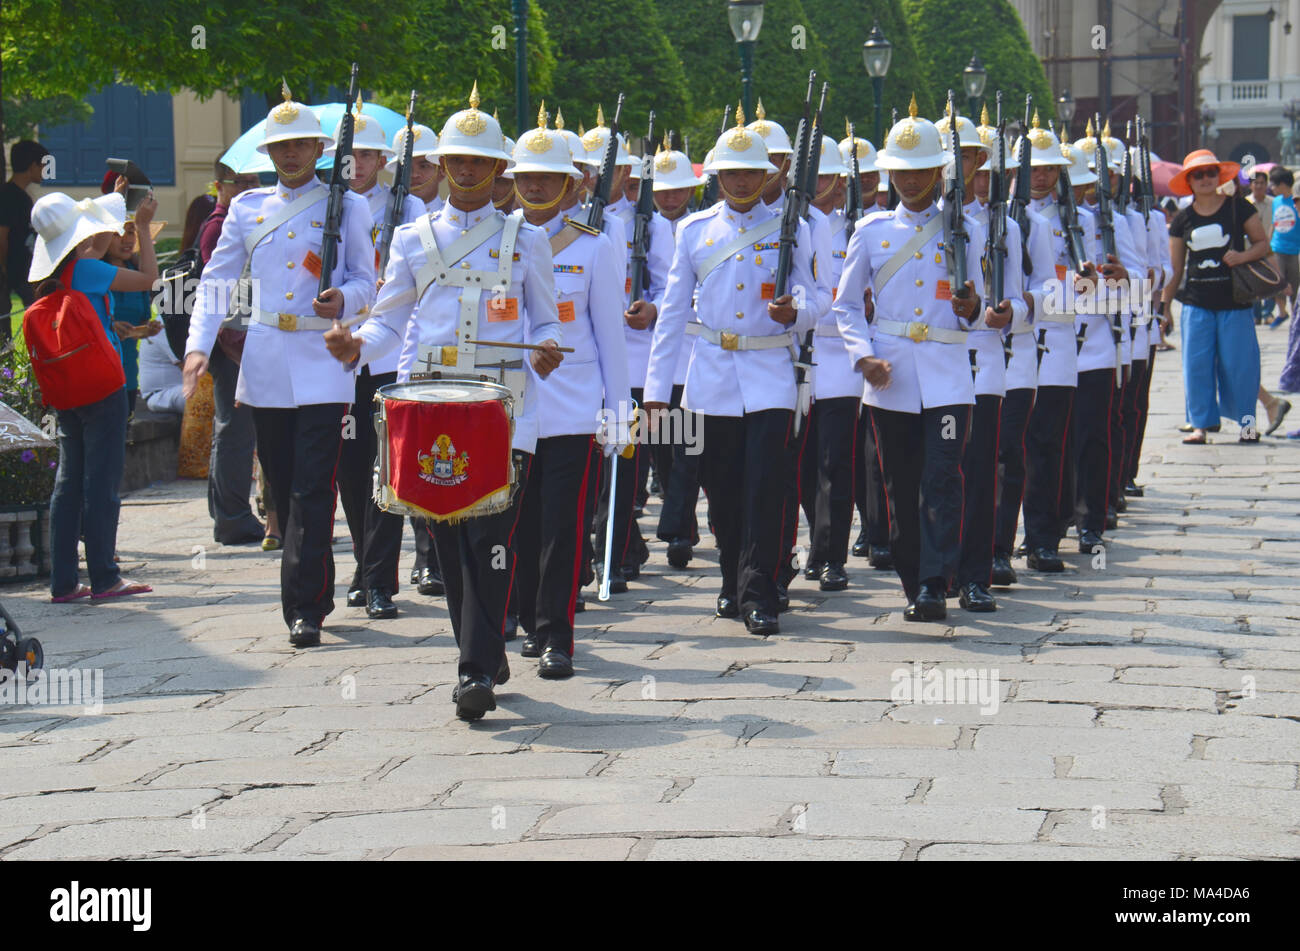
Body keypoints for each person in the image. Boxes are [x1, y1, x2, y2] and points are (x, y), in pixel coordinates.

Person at [324, 85, 564, 720]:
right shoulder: (411, 237)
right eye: (455, 160)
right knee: (447, 536)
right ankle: (480, 644)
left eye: (477, 162)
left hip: (501, 408)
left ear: (496, 171)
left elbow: (547, 321)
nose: (464, 171)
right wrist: (355, 345)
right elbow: (389, 320)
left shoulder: (525, 238)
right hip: (429, 407)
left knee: (491, 534)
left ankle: (475, 667)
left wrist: (545, 347)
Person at [182, 84, 377, 647]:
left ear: (319, 147)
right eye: (280, 148)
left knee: (315, 484)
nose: (290, 156)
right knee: (286, 482)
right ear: (268, 154)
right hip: (267, 360)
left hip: (322, 360)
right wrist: (199, 343)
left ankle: (303, 607)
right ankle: (315, 584)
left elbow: (368, 281)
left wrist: (342, 300)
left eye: (300, 145)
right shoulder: (247, 208)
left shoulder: (351, 203)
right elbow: (218, 280)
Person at [643, 106, 821, 635]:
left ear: (769, 174)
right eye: (731, 172)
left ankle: (759, 590)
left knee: (766, 486)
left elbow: (818, 301)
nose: (741, 181)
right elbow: (673, 313)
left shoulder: (793, 227)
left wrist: (798, 313)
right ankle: (729, 579)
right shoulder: (696, 232)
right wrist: (657, 390)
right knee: (720, 490)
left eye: (751, 172)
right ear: (716, 176)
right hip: (712, 375)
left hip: (769, 371)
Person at [830, 99, 988, 620]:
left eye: (921, 170)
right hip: (891, 377)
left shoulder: (965, 228)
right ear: (889, 172)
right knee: (900, 484)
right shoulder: (870, 231)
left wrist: (971, 308)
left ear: (939, 171)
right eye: (901, 170)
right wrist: (863, 358)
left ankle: (933, 583)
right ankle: (912, 573)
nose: (910, 180)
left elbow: (975, 310)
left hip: (946, 377)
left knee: (943, 478)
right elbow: (847, 306)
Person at [508, 107, 629, 678]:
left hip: (570, 409)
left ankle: (557, 634)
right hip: (507, 410)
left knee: (562, 525)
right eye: (526, 177)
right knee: (517, 522)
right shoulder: (493, 242)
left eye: (547, 179)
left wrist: (618, 411)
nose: (535, 187)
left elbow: (611, 337)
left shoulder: (593, 247)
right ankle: (526, 618)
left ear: (571, 186)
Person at [32, 188, 158, 601]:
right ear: (82, 241)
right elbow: (148, 279)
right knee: (101, 483)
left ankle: (63, 582)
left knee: (68, 484)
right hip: (104, 388)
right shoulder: (89, 269)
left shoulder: (54, 279)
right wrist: (141, 228)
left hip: (68, 392)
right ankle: (105, 576)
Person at [332, 101, 424, 621]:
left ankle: (379, 578)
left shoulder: (407, 208)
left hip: (388, 348)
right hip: (345, 353)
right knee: (349, 469)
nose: (360, 164)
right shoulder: (332, 207)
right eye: (354, 155)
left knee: (385, 468)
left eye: (369, 155)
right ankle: (364, 564)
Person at [940, 107, 1020, 610]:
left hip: (984, 362)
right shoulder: (927, 222)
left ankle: (975, 573)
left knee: (980, 468)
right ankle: (938, 567)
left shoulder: (1001, 225)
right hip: (938, 361)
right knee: (940, 471)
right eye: (956, 157)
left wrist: (1007, 311)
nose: (965, 166)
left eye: (972, 157)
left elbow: (1012, 295)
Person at [1164, 149, 1271, 444]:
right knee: (1196, 366)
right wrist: (1164, 307)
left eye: (1211, 173)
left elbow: (1263, 244)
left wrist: (1242, 256)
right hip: (1196, 303)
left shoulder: (1239, 208)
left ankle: (1248, 425)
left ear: (1219, 175)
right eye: (1198, 175)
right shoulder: (1182, 220)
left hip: (1235, 302)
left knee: (1242, 369)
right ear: (1188, 181)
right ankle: (1200, 424)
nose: (1205, 179)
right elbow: (1175, 268)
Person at [198, 158, 266, 546]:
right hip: (232, 339)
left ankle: (228, 511)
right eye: (238, 181)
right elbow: (220, 287)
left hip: (241, 335)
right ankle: (232, 516)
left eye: (254, 180)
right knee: (235, 430)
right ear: (219, 185)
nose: (247, 188)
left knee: (235, 430)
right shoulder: (220, 225)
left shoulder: (244, 220)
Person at [649, 142, 707, 569]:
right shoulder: (634, 227)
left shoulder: (701, 228)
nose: (670, 198)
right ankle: (679, 520)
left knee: (690, 445)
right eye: (663, 190)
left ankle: (682, 528)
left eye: (677, 190)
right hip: (657, 350)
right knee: (663, 446)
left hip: (699, 349)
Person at [0, 140, 50, 346]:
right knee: (4, 324)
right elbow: (2, 235)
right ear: (32, 166)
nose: (45, 171)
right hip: (11, 270)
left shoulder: (25, 197)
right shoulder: (9, 196)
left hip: (25, 270)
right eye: (42, 166)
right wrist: (3, 268)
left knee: (39, 315)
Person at [139, 331, 186, 414]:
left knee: (211, 390)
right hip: (161, 395)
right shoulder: (163, 328)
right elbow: (190, 369)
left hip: (178, 390)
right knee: (206, 393)